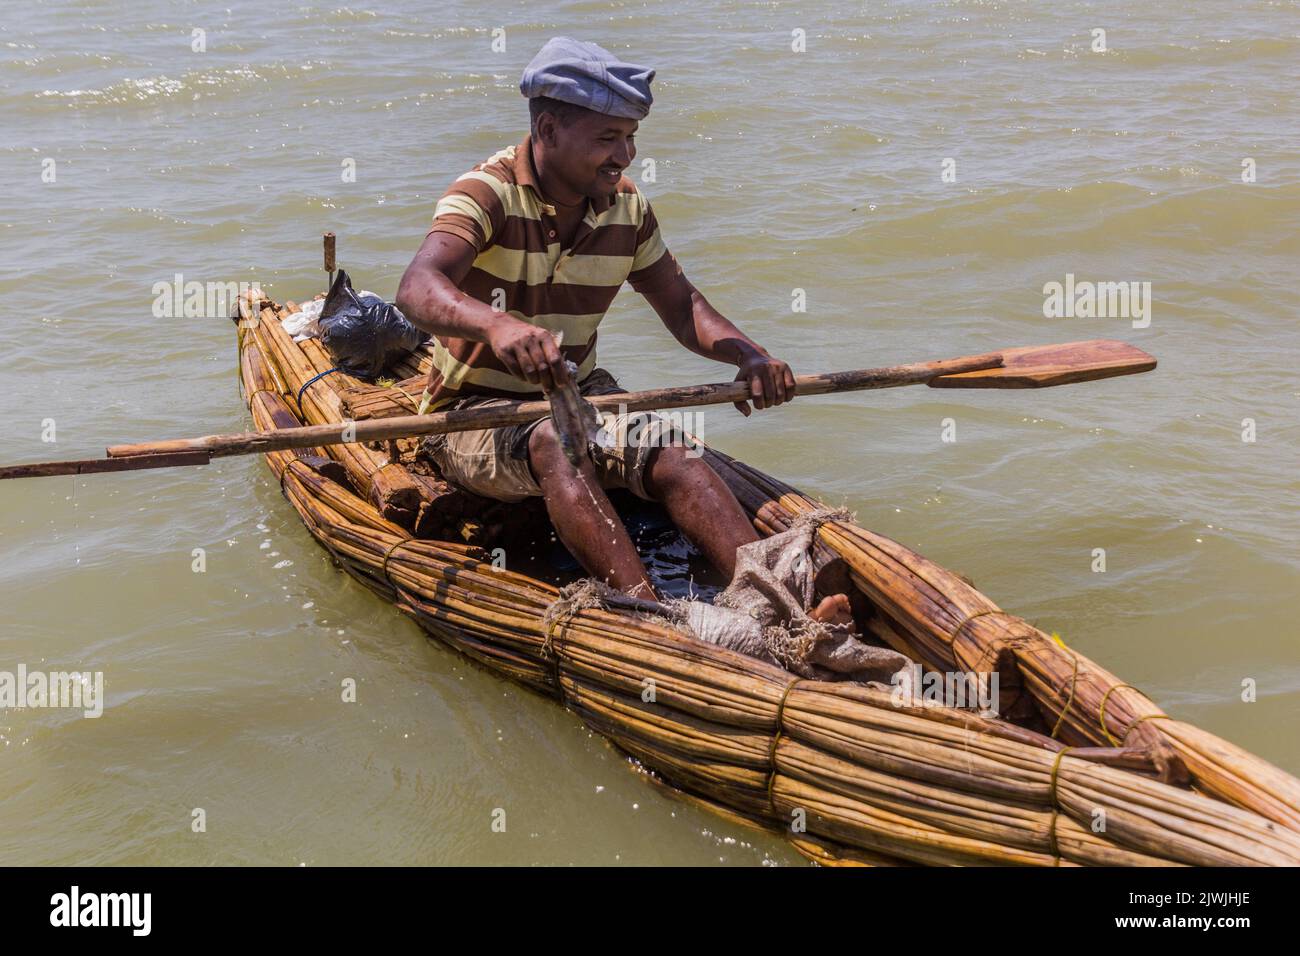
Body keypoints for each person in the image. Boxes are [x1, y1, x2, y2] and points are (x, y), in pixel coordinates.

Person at [397, 36, 851, 624]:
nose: (626, 155)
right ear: (550, 129)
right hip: (475, 414)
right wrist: (498, 326)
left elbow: (681, 304)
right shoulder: (485, 194)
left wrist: (750, 358)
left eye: (631, 136)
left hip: (581, 394)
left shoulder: (625, 207)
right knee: (554, 443)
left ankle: (775, 609)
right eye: (608, 138)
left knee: (676, 454)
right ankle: (650, 621)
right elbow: (417, 287)